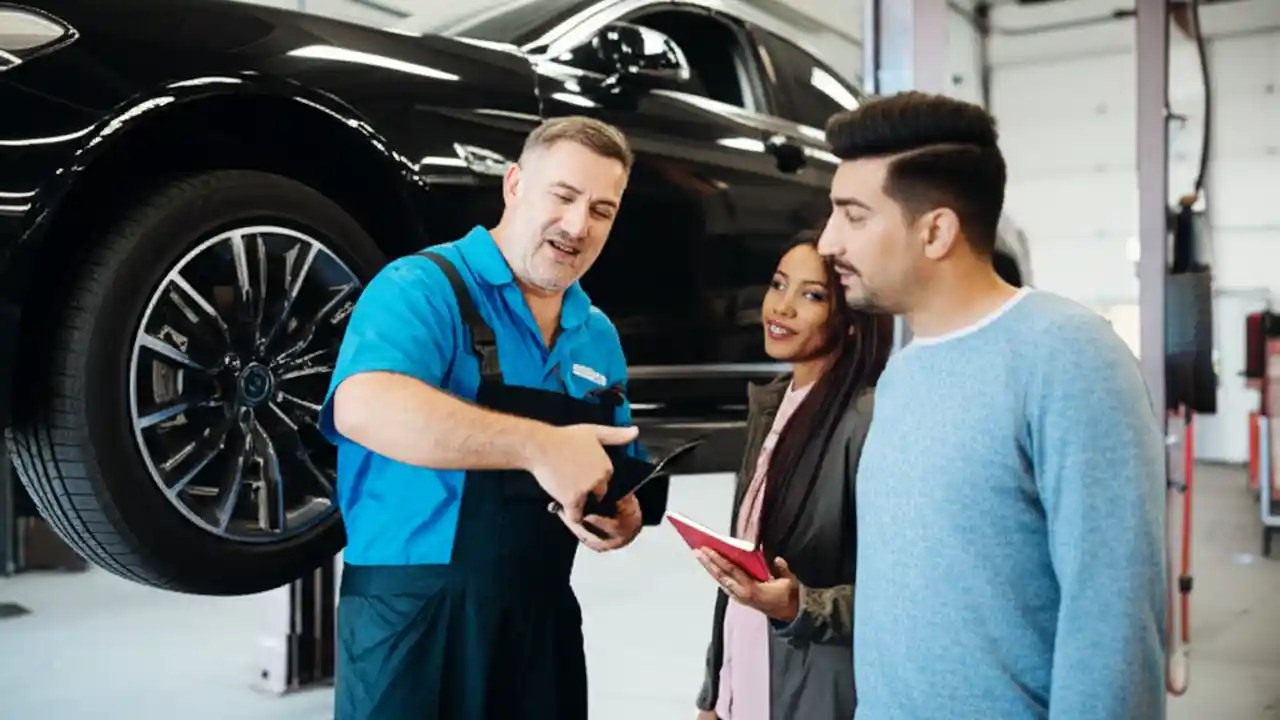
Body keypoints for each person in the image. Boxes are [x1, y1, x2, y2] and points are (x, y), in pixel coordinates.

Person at [816, 91, 1167, 719]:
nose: (827, 242)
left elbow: (1112, 617)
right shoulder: (904, 371)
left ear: (936, 231)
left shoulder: (1066, 355)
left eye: (853, 216)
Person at [320, 116, 661, 720]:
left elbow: (611, 458)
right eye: (563, 196)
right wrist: (538, 447)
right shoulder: (422, 288)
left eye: (602, 210)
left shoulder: (597, 335)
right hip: (412, 620)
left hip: (541, 619)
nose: (578, 226)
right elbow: (364, 404)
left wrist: (623, 510)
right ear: (514, 185)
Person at [691, 233, 891, 720]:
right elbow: (740, 569)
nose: (781, 307)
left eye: (811, 295)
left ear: (850, 322)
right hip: (747, 676)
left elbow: (899, 594)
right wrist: (713, 693)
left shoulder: (869, 421)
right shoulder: (771, 407)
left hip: (817, 691)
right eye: (779, 285)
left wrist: (800, 605)